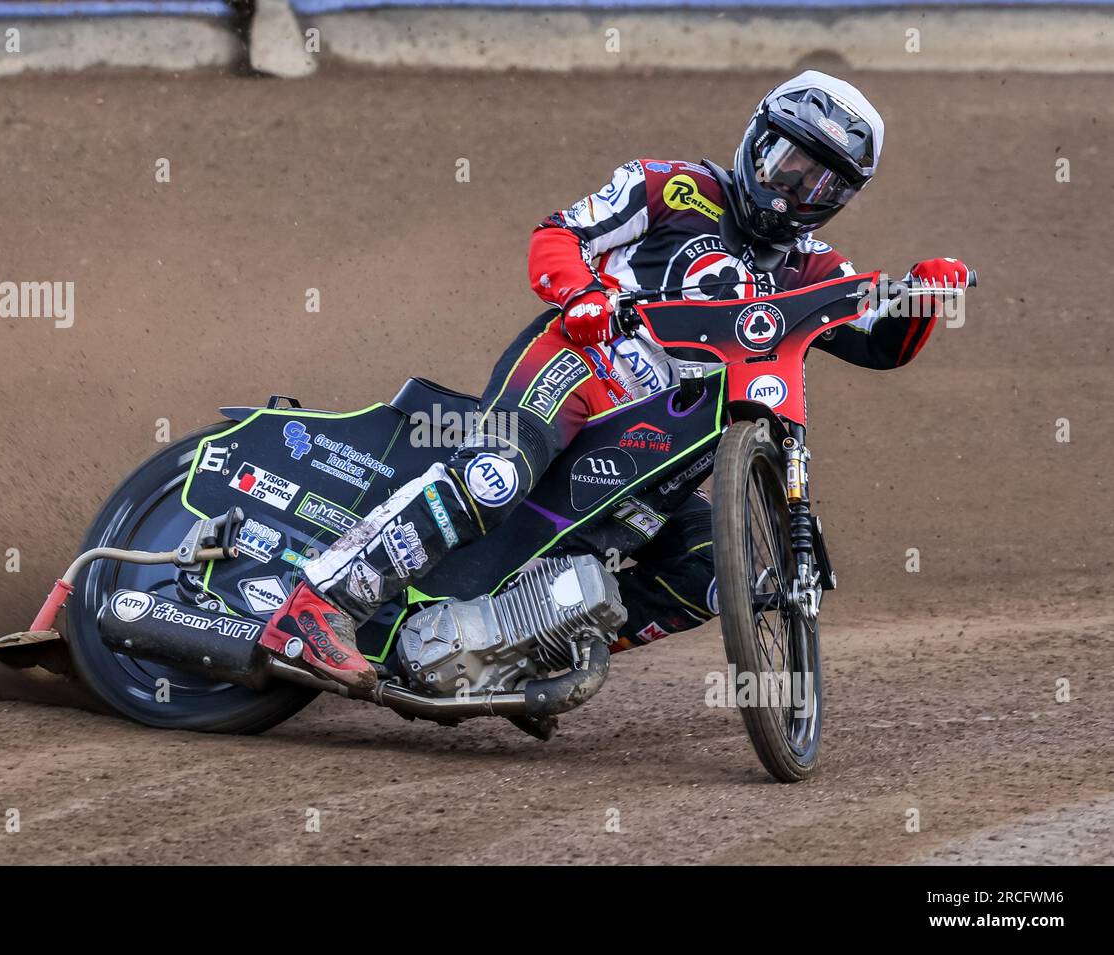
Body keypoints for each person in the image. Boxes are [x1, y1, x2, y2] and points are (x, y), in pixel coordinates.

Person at [261, 70, 971, 690]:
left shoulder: (817, 271)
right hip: (577, 369)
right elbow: (557, 233)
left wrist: (925, 298)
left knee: (721, 573)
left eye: (818, 183)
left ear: (840, 199)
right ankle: (317, 607)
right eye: (787, 161)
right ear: (757, 138)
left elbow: (880, 343)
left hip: (655, 450)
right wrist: (580, 294)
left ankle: (526, 649)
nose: (791, 190)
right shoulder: (672, 186)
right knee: (495, 476)